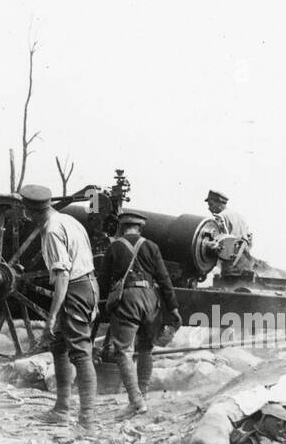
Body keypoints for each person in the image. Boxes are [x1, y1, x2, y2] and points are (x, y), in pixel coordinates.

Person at [19, 184, 100, 431]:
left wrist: (52, 316)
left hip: (74, 288)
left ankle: (88, 419)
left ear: (31, 212)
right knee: (59, 347)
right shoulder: (69, 220)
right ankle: (62, 409)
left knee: (80, 352)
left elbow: (62, 276)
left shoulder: (52, 230)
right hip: (87, 284)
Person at [103, 210, 182, 419]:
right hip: (151, 300)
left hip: (128, 299)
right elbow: (165, 279)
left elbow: (103, 281)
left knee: (123, 351)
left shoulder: (115, 247)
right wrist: (173, 308)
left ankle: (136, 402)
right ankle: (143, 396)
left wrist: (103, 305)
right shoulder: (151, 246)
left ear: (121, 227)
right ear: (140, 227)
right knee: (146, 349)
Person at [205, 190, 254, 279]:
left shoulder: (220, 217)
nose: (209, 208)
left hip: (231, 261)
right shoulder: (239, 216)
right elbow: (250, 238)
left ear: (219, 203)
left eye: (211, 204)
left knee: (227, 286)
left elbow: (218, 244)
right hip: (245, 258)